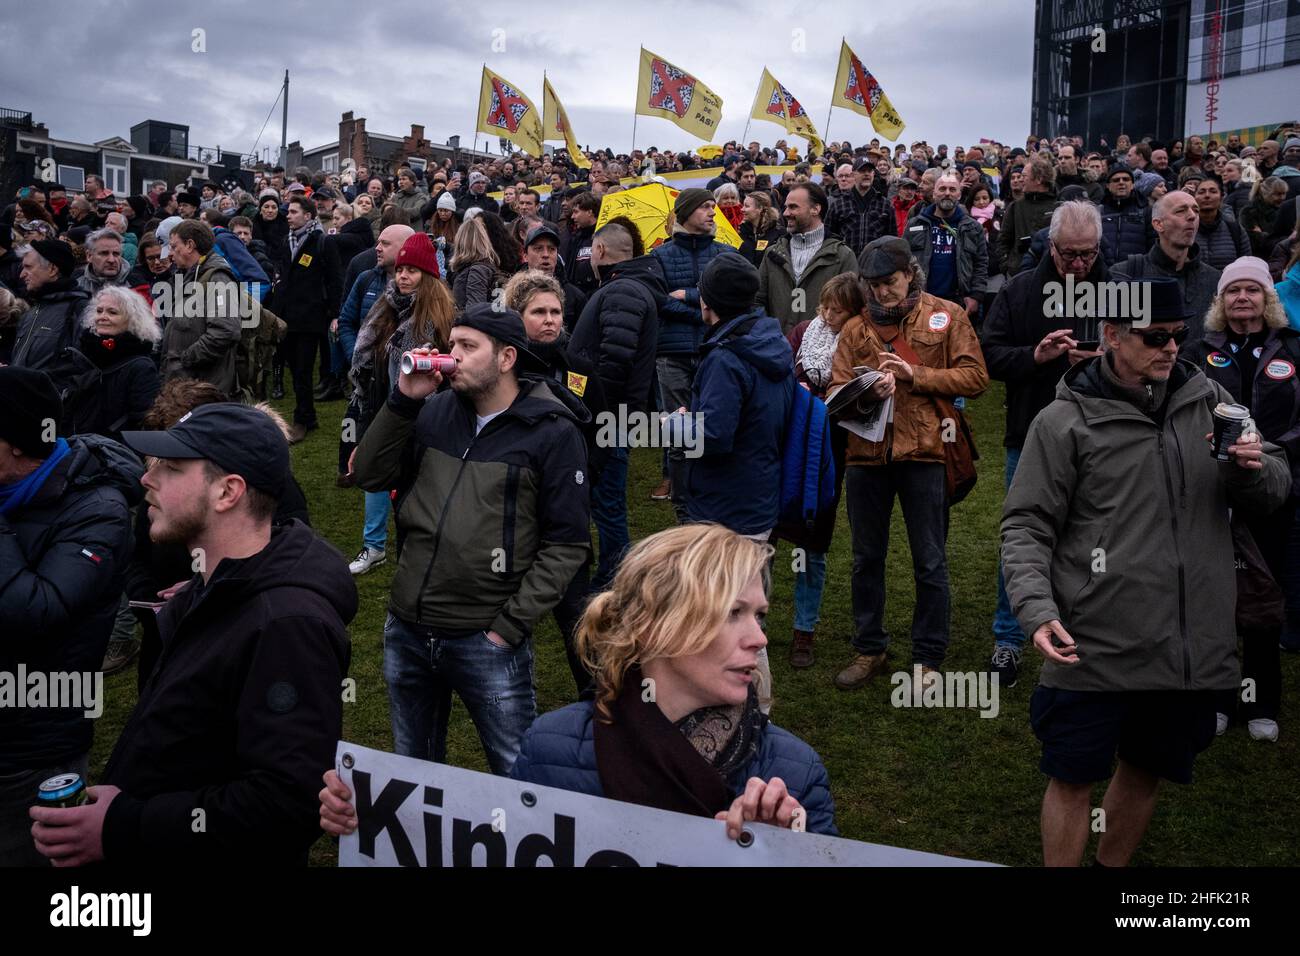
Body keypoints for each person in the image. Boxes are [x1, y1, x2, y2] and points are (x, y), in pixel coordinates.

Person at [1002, 278, 1290, 866]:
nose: (1169, 349)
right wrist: (1036, 610)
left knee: (1146, 768)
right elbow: (1026, 526)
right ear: (1110, 335)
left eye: (1178, 337)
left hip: (1182, 646)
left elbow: (1276, 485)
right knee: (1072, 776)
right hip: (1092, 644)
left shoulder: (1211, 399)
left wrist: (1251, 472)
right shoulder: (1061, 423)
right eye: (1154, 337)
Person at [320, 524, 837, 841]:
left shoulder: (791, 775)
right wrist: (379, 822)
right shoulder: (551, 748)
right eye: (732, 614)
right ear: (656, 624)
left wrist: (787, 852)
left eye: (760, 616)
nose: (759, 639)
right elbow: (494, 847)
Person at [27, 404, 355, 866]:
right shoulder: (216, 586)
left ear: (228, 492)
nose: (147, 479)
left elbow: (284, 803)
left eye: (172, 468)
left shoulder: (286, 624)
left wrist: (124, 825)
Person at [352, 303, 591, 775]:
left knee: (516, 776)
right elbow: (369, 474)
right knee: (415, 775)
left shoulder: (552, 432)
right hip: (408, 628)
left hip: (486, 638)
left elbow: (567, 545)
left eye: (467, 346)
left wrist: (508, 627)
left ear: (506, 358)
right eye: (451, 344)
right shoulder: (434, 411)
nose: (451, 355)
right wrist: (402, 401)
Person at [832, 238, 990, 690]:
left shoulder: (948, 315)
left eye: (890, 282)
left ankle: (928, 658)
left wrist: (913, 375)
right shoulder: (854, 329)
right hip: (866, 455)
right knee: (865, 559)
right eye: (874, 285)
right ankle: (869, 649)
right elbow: (837, 392)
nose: (882, 293)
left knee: (930, 560)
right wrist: (865, 394)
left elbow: (976, 376)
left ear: (910, 275)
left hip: (927, 450)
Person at [0, 367, 142, 866]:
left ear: (16, 443)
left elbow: (36, 611)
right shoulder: (13, 492)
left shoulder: (96, 508)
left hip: (30, 741)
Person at [979, 201, 1108, 685]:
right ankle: (1008, 637)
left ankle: (1086, 630)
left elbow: (1147, 352)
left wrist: (1101, 360)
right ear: (1050, 246)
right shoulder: (1019, 291)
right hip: (1031, 431)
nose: (1079, 264)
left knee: (1097, 536)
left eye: (1087, 255)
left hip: (1102, 434)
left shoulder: (1114, 289)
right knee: (1023, 536)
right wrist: (1034, 356)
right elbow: (989, 356)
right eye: (1070, 254)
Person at [1186, 257, 1300, 742]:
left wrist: (1271, 455)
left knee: (1264, 596)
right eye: (1233, 291)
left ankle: (1259, 702)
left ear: (1267, 299)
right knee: (1212, 597)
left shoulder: (1293, 349)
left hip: (1276, 487)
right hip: (1213, 489)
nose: (1242, 298)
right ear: (1221, 301)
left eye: (1253, 290)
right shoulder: (1198, 350)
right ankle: (1216, 699)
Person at [345, 231, 453, 575]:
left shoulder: (437, 320)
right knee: (374, 477)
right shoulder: (386, 307)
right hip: (382, 410)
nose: (403, 276)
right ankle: (374, 545)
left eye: (413, 270)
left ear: (429, 276)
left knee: (416, 501)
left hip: (420, 424)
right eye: (401, 269)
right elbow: (363, 356)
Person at [569, 220, 665, 587]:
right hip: (611, 417)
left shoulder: (623, 290)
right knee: (603, 503)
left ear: (600, 251)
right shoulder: (625, 287)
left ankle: (615, 582)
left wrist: (594, 412)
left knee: (608, 506)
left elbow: (615, 360)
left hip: (608, 419)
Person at [773, 273, 861, 668]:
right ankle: (752, 620)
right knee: (768, 534)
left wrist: (832, 399)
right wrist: (799, 390)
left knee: (813, 540)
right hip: (789, 444)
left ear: (854, 312)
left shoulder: (860, 338)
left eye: (836, 309)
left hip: (830, 450)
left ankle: (803, 631)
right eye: (824, 305)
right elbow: (781, 377)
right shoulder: (803, 332)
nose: (826, 315)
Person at [270, 195, 342, 443]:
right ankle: (309, 416)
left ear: (308, 216)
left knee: (302, 370)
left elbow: (335, 280)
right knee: (294, 368)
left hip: (311, 319)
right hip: (286, 316)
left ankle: (301, 420)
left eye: (293, 211)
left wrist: (335, 313)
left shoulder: (322, 242)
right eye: (287, 211)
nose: (287, 215)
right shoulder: (284, 241)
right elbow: (279, 270)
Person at [1111, 191, 1222, 348]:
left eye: (1195, 210)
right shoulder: (1124, 273)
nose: (1192, 216)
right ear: (1158, 224)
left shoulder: (1216, 279)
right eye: (1181, 211)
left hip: (1200, 371)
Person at [756, 183, 860, 335]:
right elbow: (758, 301)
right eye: (785, 207)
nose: (785, 213)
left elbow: (851, 310)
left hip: (823, 352)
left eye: (793, 207)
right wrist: (768, 335)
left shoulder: (842, 256)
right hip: (776, 350)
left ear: (815, 209)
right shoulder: (772, 254)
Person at [157, 219, 243, 396]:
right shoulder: (187, 276)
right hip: (187, 385)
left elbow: (226, 330)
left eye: (174, 246)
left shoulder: (218, 277)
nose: (170, 254)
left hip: (203, 388)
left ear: (190, 245)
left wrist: (185, 359)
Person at [72, 286, 162, 440]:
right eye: (99, 311)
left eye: (112, 312)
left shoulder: (141, 367)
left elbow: (145, 423)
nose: (102, 316)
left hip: (116, 454)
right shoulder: (83, 354)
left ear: (132, 320)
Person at [900, 173, 988, 319]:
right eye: (942, 189)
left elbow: (981, 264)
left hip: (959, 302)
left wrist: (976, 296)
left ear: (959, 194)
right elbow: (903, 260)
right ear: (934, 194)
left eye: (952, 190)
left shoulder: (972, 227)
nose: (947, 193)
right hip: (922, 300)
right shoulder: (915, 224)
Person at [10, 240, 89, 371]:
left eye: (28, 267)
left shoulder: (80, 310)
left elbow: (84, 370)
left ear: (52, 269)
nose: (22, 274)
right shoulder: (31, 313)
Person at [1000, 157, 1058, 276]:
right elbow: (1003, 241)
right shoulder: (1015, 207)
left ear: (1038, 179)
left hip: (1051, 276)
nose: (1020, 180)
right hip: (1018, 275)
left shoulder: (1059, 208)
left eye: (1024, 176)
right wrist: (1007, 266)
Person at [1193, 178, 1251, 271]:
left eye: (1213, 191)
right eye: (1201, 192)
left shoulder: (1235, 229)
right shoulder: (1185, 228)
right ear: (1194, 197)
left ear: (1221, 197)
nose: (1207, 195)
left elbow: (1246, 265)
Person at [449, 216, 500, 312]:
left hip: (468, 325)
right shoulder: (480, 266)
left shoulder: (477, 271)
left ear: (461, 241)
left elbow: (475, 312)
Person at [737, 190, 783, 266]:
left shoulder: (778, 233)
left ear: (760, 208)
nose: (742, 209)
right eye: (743, 205)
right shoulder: (740, 231)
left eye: (747, 206)